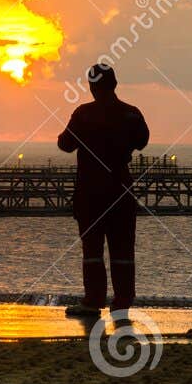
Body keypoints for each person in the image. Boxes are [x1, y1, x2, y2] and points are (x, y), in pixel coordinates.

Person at [57, 64, 149, 317]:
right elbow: (142, 141)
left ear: (92, 87)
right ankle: (122, 302)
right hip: (121, 189)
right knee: (123, 250)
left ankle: (93, 299)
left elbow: (65, 144)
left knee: (92, 250)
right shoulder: (132, 114)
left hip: (90, 192)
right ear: (115, 84)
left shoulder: (83, 114)